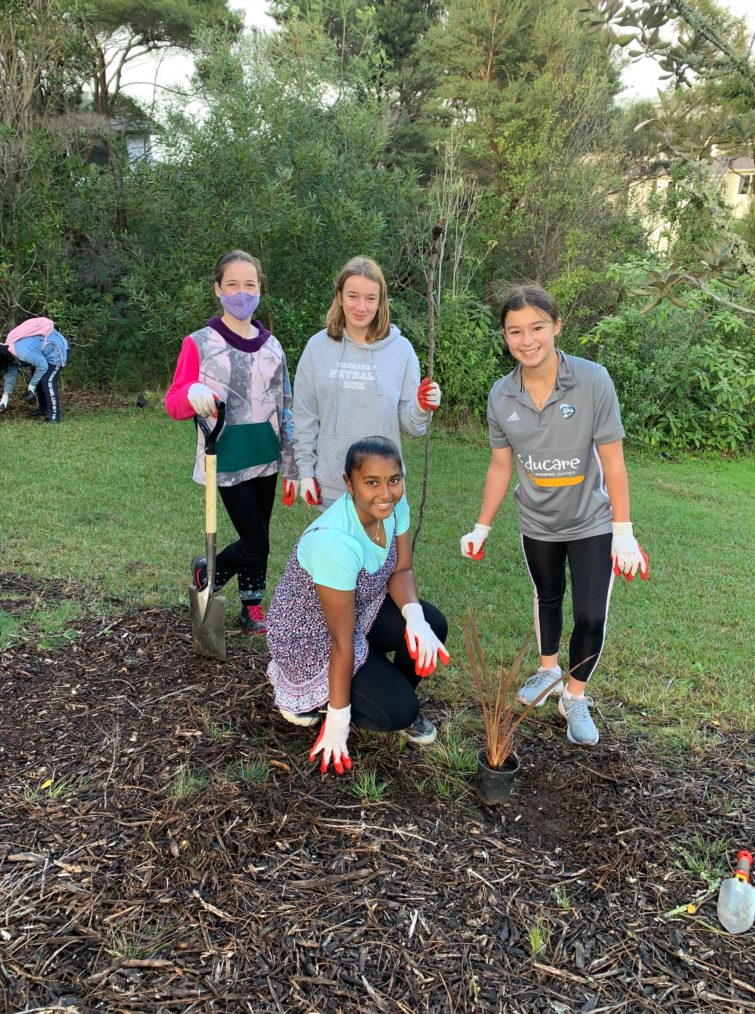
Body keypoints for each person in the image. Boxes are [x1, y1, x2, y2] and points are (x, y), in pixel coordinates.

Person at [460, 285, 648, 747]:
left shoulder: (592, 380)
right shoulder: (501, 395)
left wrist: (623, 532)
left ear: (556, 326)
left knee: (589, 613)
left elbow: (614, 462)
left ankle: (575, 696)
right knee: (547, 597)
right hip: (537, 523)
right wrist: (481, 526)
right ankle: (547, 675)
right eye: (515, 331)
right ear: (505, 335)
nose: (527, 340)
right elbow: (501, 465)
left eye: (537, 328)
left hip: (591, 522)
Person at [266, 436, 450, 775]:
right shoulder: (334, 542)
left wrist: (414, 618)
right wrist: (339, 719)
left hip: (361, 604)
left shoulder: (394, 506)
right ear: (349, 484)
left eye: (394, 480)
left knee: (432, 623)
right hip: (310, 636)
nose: (385, 493)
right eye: (371, 483)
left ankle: (375, 682)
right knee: (397, 711)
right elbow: (341, 640)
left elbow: (402, 569)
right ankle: (324, 702)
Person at [165, 249, 298, 634]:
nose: (243, 292)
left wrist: (291, 466)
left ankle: (252, 605)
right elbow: (174, 402)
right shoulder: (200, 343)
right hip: (225, 456)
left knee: (260, 536)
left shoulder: (272, 347)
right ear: (218, 289)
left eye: (250, 285)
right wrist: (191, 393)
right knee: (256, 542)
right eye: (233, 284)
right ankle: (209, 571)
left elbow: (284, 407)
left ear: (260, 290)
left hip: (266, 456)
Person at [292, 255, 442, 507]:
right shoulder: (317, 348)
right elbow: (305, 416)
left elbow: (414, 426)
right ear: (339, 296)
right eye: (353, 296)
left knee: (384, 548)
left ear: (380, 301)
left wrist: (421, 406)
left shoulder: (401, 350)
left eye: (370, 298)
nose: (361, 307)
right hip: (331, 484)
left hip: (384, 487)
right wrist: (305, 472)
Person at [0, 317, 69, 422]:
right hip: (44, 352)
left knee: (47, 380)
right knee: (37, 376)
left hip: (57, 350)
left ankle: (54, 417)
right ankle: (44, 409)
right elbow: (11, 374)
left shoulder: (22, 352)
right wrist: (5, 395)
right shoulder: (8, 353)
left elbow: (43, 366)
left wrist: (31, 386)